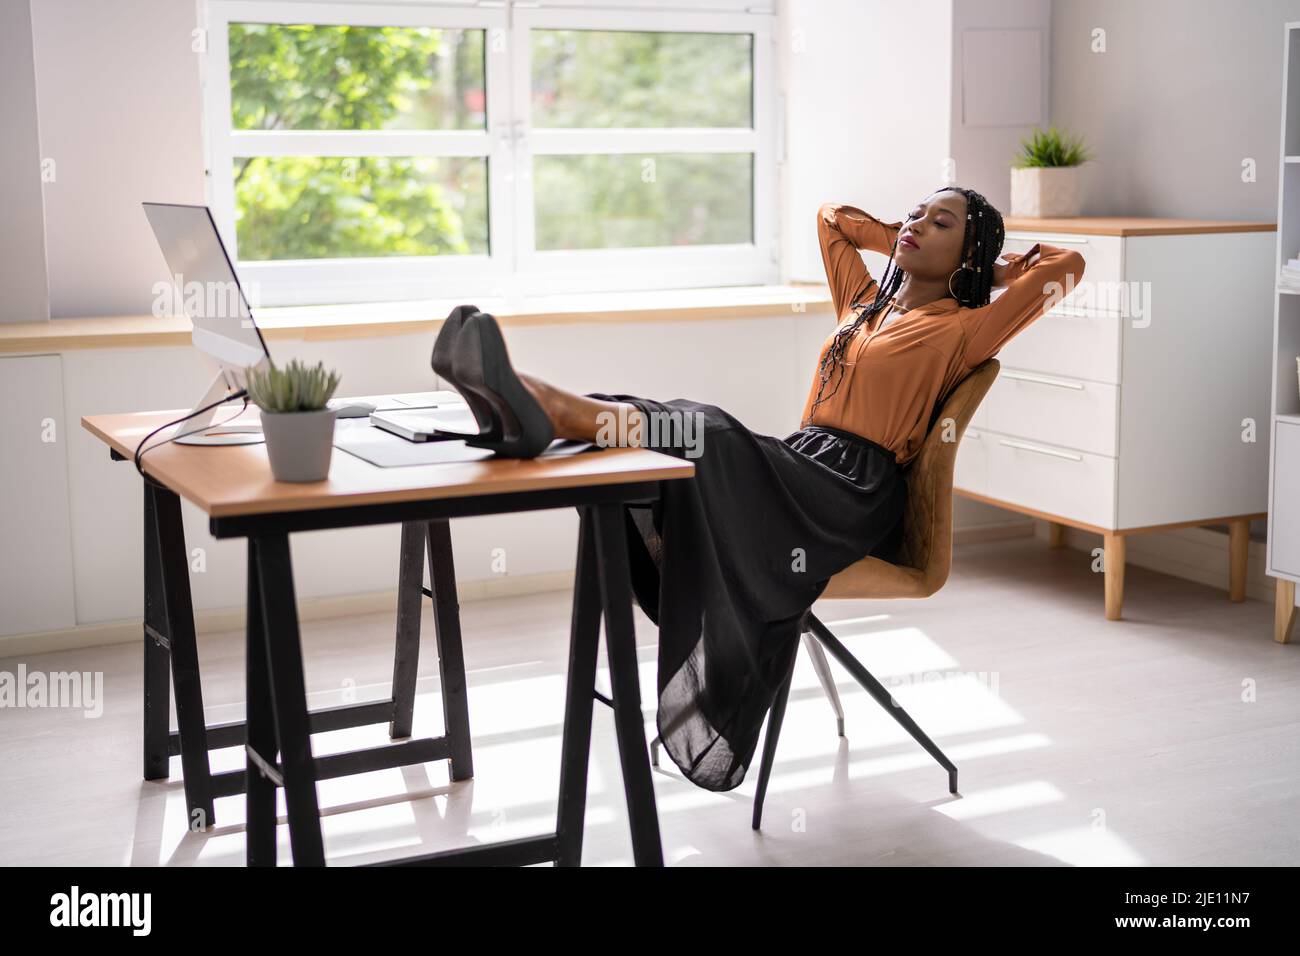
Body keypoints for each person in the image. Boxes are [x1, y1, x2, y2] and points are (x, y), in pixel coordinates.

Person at [435, 185, 1086, 792]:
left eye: (940, 223)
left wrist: (992, 271)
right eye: (914, 212)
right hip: (800, 465)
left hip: (849, 494)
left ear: (968, 253)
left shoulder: (966, 329)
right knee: (665, 419)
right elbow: (832, 220)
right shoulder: (863, 305)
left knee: (707, 432)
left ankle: (540, 407)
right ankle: (531, 416)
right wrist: (904, 237)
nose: (915, 224)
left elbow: (1068, 265)